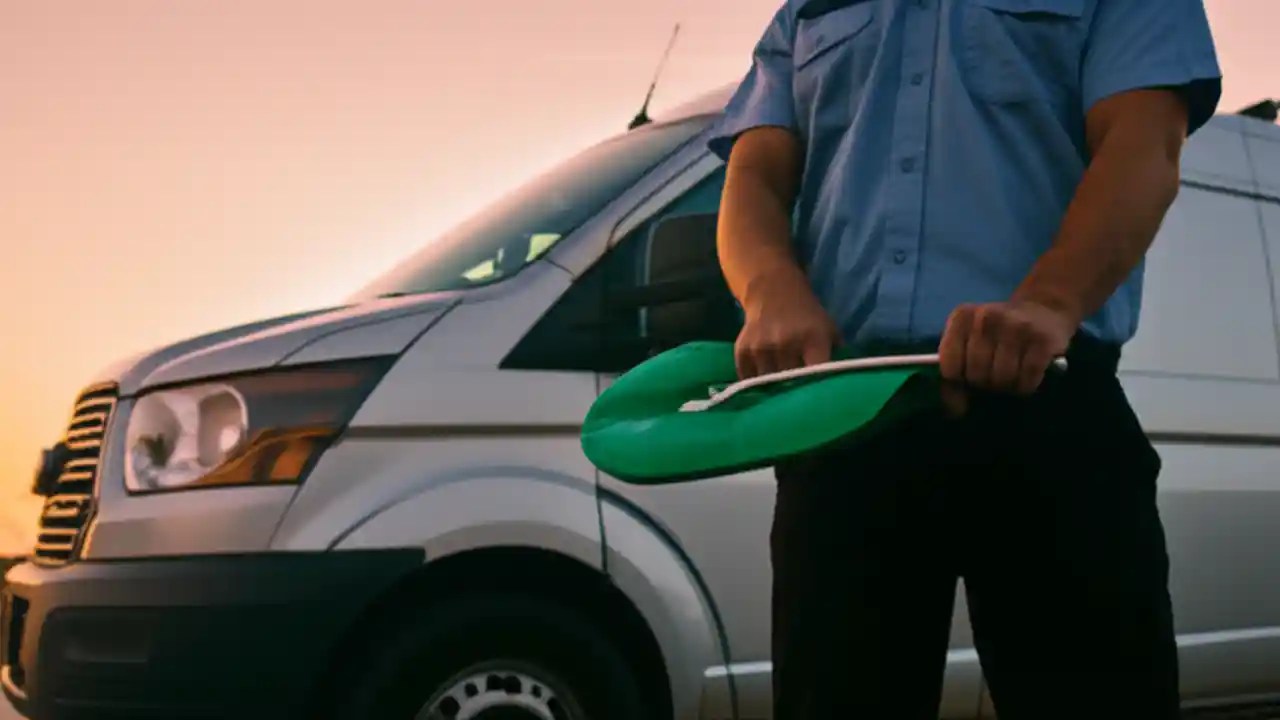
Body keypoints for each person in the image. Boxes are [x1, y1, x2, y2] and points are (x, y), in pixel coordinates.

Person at [707, 0, 1222, 718]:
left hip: (1050, 407)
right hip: (844, 426)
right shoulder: (805, 11)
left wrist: (1047, 302)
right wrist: (770, 293)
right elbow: (754, 175)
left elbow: (1146, 144)